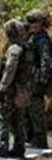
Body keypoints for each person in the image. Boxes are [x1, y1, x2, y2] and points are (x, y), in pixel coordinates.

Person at [0, 19, 34, 158]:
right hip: (22, 87)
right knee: (18, 118)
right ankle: (19, 147)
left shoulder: (14, 49)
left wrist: (2, 88)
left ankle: (2, 146)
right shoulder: (27, 48)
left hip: (11, 88)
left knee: (1, 116)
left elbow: (9, 70)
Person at [25, 9, 52, 149]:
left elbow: (45, 60)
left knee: (37, 110)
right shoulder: (32, 37)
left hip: (37, 79)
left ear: (41, 23)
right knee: (29, 109)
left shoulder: (42, 39)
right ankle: (32, 137)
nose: (31, 24)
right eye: (29, 21)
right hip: (31, 79)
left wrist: (43, 79)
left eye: (34, 21)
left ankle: (40, 139)